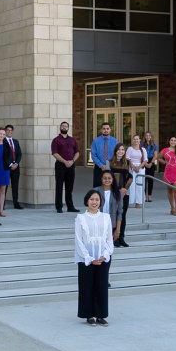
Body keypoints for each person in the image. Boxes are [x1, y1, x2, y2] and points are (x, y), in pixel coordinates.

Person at [74, 190, 113, 326]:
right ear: (87, 201)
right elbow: (79, 240)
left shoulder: (106, 217)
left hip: (103, 257)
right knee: (87, 286)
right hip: (86, 258)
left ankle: (101, 314)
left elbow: (109, 239)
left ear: (100, 202)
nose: (94, 202)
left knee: (101, 286)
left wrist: (105, 255)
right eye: (92, 199)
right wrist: (89, 258)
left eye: (97, 200)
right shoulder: (80, 218)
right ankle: (89, 314)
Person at [52, 121, 79, 212]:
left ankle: (70, 207)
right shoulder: (56, 140)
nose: (64, 127)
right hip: (60, 166)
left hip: (71, 165)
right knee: (59, 187)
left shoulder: (72, 140)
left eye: (66, 126)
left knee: (69, 187)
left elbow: (77, 152)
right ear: (60, 127)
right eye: (62, 126)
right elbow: (55, 153)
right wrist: (64, 161)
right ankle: (59, 207)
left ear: (68, 128)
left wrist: (72, 161)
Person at [2, 124, 28, 210]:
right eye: (8, 130)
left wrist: (16, 163)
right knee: (4, 186)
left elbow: (19, 154)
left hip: (16, 167)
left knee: (15, 186)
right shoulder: (2, 141)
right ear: (5, 131)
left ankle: (16, 203)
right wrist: (10, 164)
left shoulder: (16, 141)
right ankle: (2, 204)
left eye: (11, 130)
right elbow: (3, 156)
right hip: (6, 167)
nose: (9, 132)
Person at [159, 136, 176, 215]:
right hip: (168, 173)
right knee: (170, 191)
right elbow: (158, 158)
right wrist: (165, 162)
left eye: (175, 140)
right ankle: (172, 207)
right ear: (169, 141)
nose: (173, 142)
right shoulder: (164, 150)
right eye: (171, 140)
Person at [89, 122, 119, 190]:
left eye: (107, 129)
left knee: (111, 187)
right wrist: (101, 165)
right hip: (99, 167)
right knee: (97, 187)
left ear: (110, 130)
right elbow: (94, 155)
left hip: (111, 167)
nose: (106, 130)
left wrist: (111, 164)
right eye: (104, 129)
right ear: (101, 130)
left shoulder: (115, 141)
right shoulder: (95, 141)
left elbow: (117, 154)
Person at [125, 134, 149, 209]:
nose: (136, 140)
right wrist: (133, 167)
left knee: (140, 185)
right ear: (132, 140)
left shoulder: (143, 149)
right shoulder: (130, 149)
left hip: (140, 168)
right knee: (131, 185)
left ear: (140, 140)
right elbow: (128, 159)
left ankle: (139, 202)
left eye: (137, 139)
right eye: (134, 139)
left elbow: (145, 160)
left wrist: (139, 167)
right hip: (132, 168)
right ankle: (131, 201)